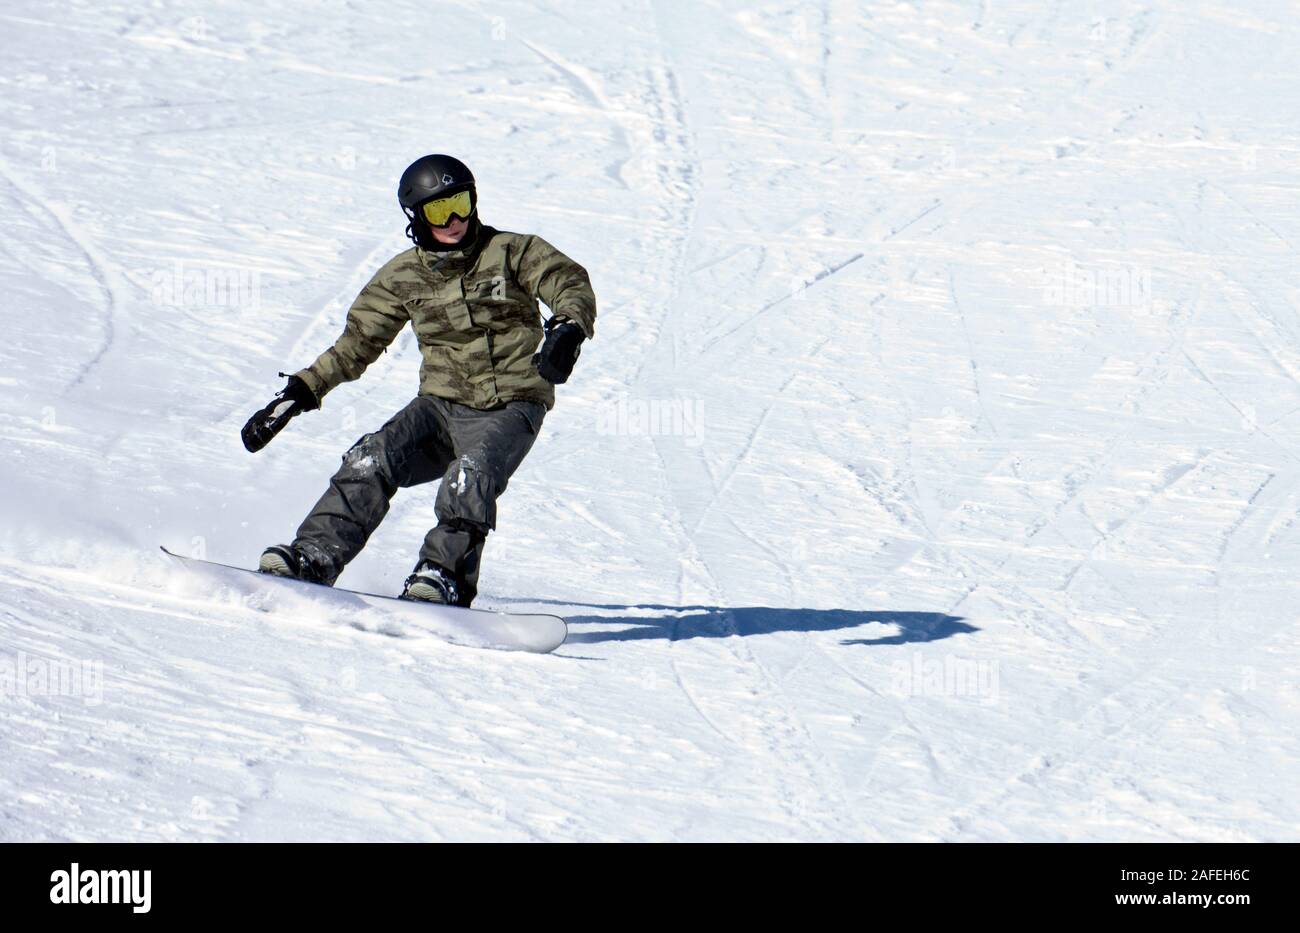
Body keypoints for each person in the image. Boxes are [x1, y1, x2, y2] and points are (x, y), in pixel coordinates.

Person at [240, 154, 595, 606]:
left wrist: (568, 324)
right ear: (416, 216)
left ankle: (442, 576)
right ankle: (313, 556)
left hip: (510, 403)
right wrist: (304, 389)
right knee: (372, 457)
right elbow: (356, 344)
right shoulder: (401, 278)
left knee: (472, 475)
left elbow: (568, 281)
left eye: (461, 203)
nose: (453, 220)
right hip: (439, 407)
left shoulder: (512, 251)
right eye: (437, 210)